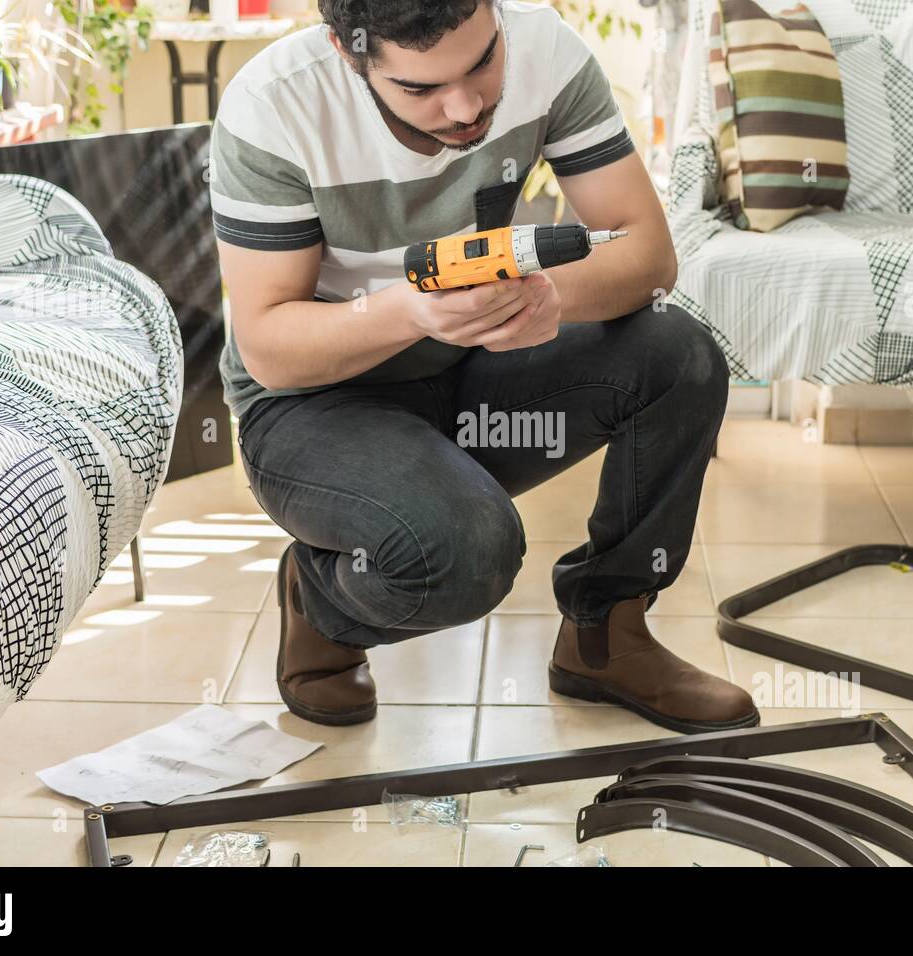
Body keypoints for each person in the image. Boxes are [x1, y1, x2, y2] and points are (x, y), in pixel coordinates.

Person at [209, 0, 758, 732]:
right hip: (315, 401)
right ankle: (324, 602)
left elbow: (649, 255)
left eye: (481, 63)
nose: (466, 107)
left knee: (677, 354)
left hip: (472, 362)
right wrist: (409, 310)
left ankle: (606, 637)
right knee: (467, 556)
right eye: (421, 88)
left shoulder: (546, 52)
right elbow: (269, 348)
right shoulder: (273, 108)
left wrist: (547, 300)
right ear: (349, 51)